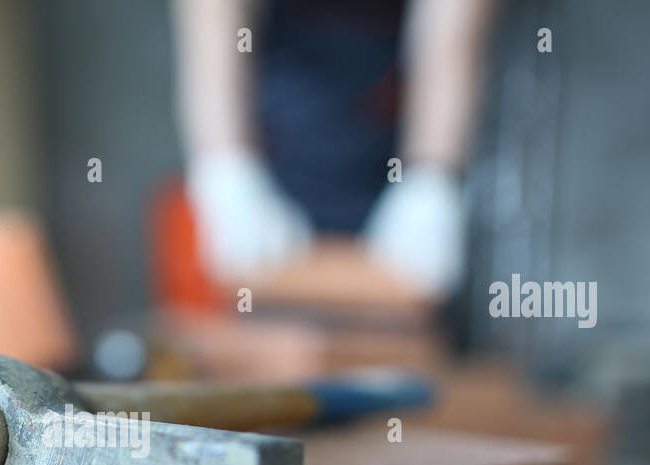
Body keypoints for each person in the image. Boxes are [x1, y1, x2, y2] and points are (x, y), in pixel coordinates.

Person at [172, 0, 495, 298]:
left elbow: (453, 38)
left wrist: (431, 181)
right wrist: (228, 169)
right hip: (275, 149)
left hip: (398, 146)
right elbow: (209, 20)